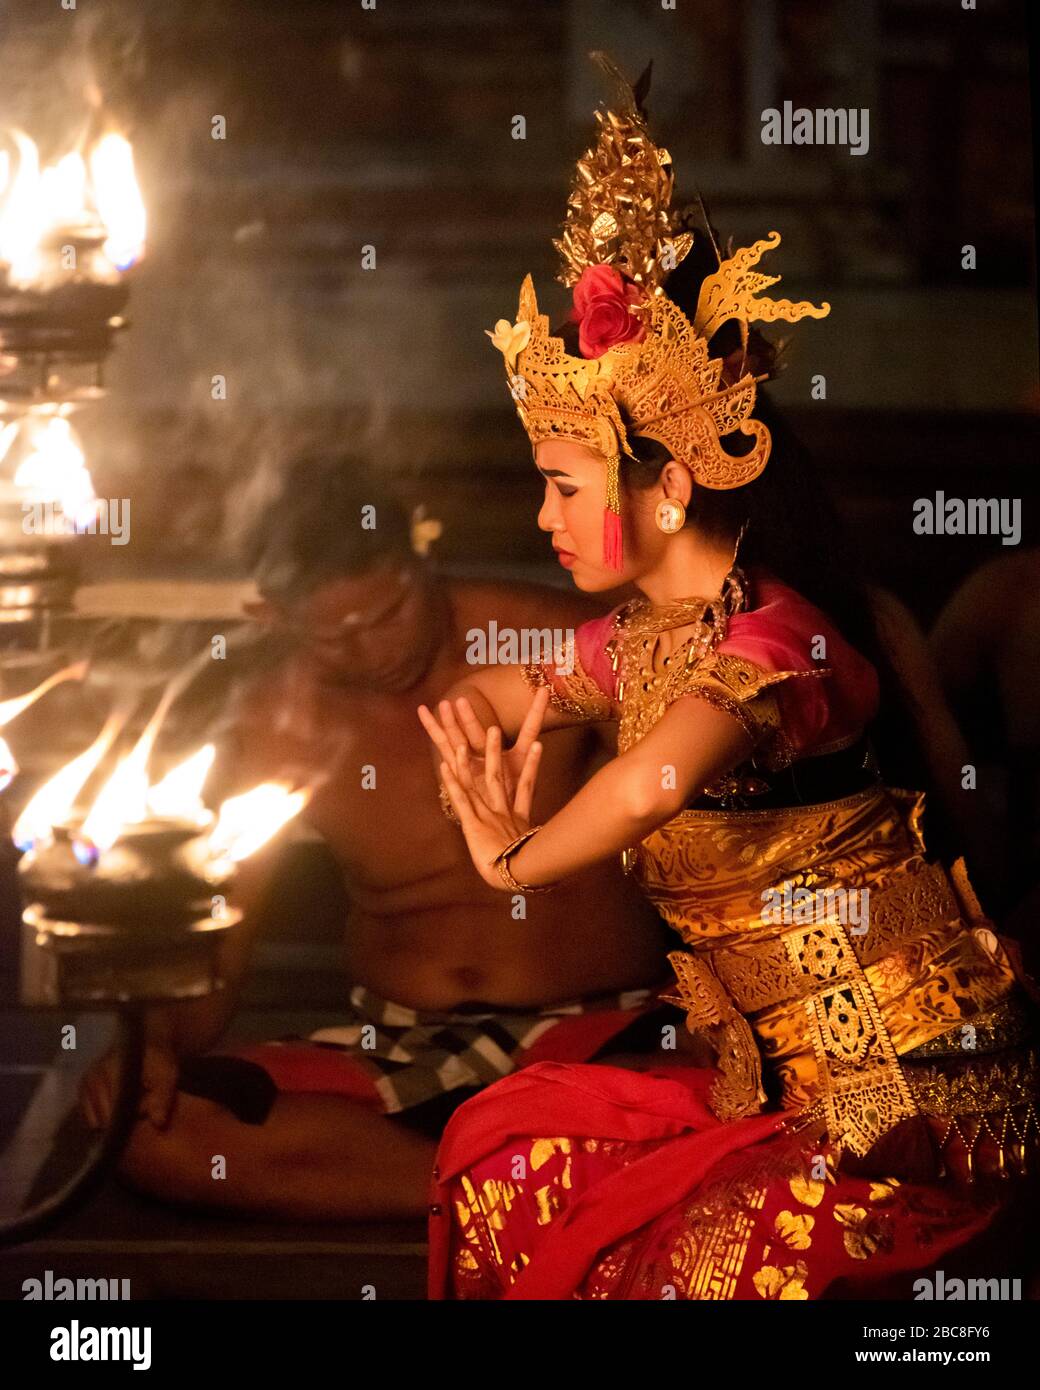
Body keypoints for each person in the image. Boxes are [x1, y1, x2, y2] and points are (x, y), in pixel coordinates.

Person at [418, 68, 1039, 1299]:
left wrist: (513, 857)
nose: (542, 515)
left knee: (680, 1268)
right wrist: (460, 742)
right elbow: (515, 694)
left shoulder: (778, 639)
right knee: (496, 1161)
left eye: (563, 485)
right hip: (776, 1088)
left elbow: (653, 779)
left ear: (667, 488)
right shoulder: (638, 636)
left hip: (912, 1103)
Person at [79, 455, 681, 1222]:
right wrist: (151, 1044)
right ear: (273, 617)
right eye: (336, 636)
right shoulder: (274, 721)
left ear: (419, 558)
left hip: (605, 1030)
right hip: (399, 1046)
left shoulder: (553, 641)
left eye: (390, 612)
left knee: (708, 1108)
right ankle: (513, 1194)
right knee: (148, 1134)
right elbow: (220, 937)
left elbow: (702, 817)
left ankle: (532, 1177)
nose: (375, 650)